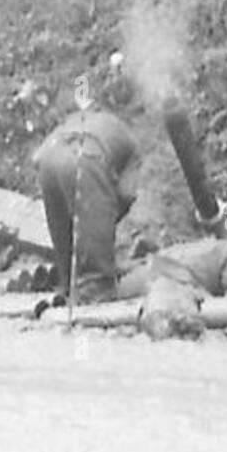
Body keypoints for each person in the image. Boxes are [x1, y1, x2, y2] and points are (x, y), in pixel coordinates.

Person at [32, 106, 141, 304]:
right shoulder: (131, 144)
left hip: (47, 158)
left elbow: (37, 158)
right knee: (98, 279)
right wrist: (107, 224)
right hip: (85, 157)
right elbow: (127, 192)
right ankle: (95, 290)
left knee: (63, 229)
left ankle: (68, 284)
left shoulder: (86, 121)